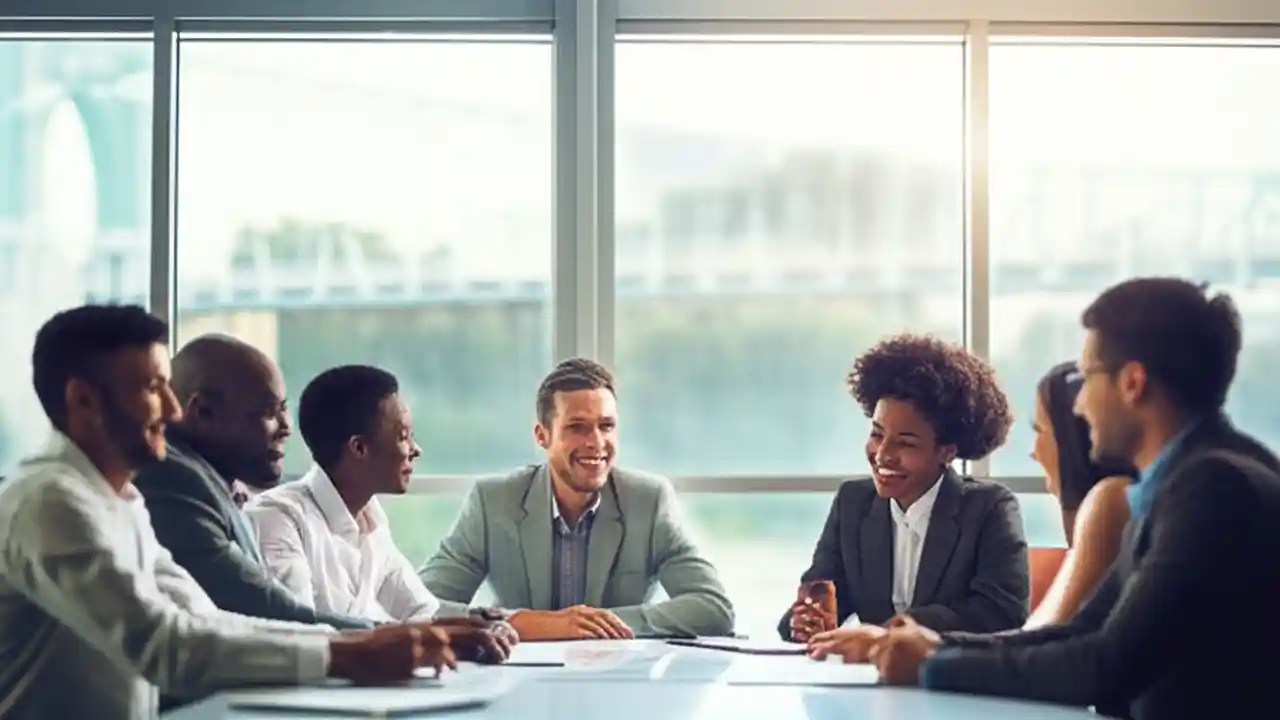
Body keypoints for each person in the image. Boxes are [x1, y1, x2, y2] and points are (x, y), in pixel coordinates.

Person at [0, 305, 451, 720]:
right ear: (83, 401)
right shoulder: (51, 503)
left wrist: (364, 641)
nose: (173, 410)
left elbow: (205, 618)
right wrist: (347, 654)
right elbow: (165, 646)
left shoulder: (121, 500)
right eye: (154, 389)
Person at [868, 278, 1280, 720]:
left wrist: (930, 666)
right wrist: (933, 646)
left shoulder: (1214, 489)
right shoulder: (1186, 481)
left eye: (1086, 378)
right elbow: (1081, 631)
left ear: (1132, 383)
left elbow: (1105, 666)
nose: (1079, 405)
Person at [420, 358, 734, 640]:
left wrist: (601, 625)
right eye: (577, 427)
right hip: (523, 678)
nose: (596, 442)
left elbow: (714, 608)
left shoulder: (648, 501)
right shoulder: (493, 502)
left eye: (606, 426)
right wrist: (525, 624)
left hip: (618, 678)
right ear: (542, 435)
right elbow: (414, 608)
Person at [248, 365, 515, 662]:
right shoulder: (279, 519)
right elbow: (297, 629)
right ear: (359, 448)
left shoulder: (371, 520)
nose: (416, 449)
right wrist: (431, 634)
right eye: (404, 436)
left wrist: (478, 625)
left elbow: (420, 611)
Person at [792, 334, 1029, 657]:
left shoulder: (989, 508)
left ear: (946, 451)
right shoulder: (853, 503)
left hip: (950, 678)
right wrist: (807, 619)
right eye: (877, 434)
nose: (882, 455)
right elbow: (824, 591)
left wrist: (888, 635)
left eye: (905, 443)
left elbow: (1000, 612)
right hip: (873, 681)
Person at [133, 334, 372, 630]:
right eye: (269, 412)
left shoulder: (216, 482)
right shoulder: (173, 479)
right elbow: (261, 611)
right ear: (203, 412)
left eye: (284, 409)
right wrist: (385, 636)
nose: (286, 428)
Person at [1025, 361, 1133, 628]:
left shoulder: (1112, 501)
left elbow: (1050, 633)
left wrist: (937, 647)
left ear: (1072, 439)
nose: (1033, 452)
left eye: (1040, 430)